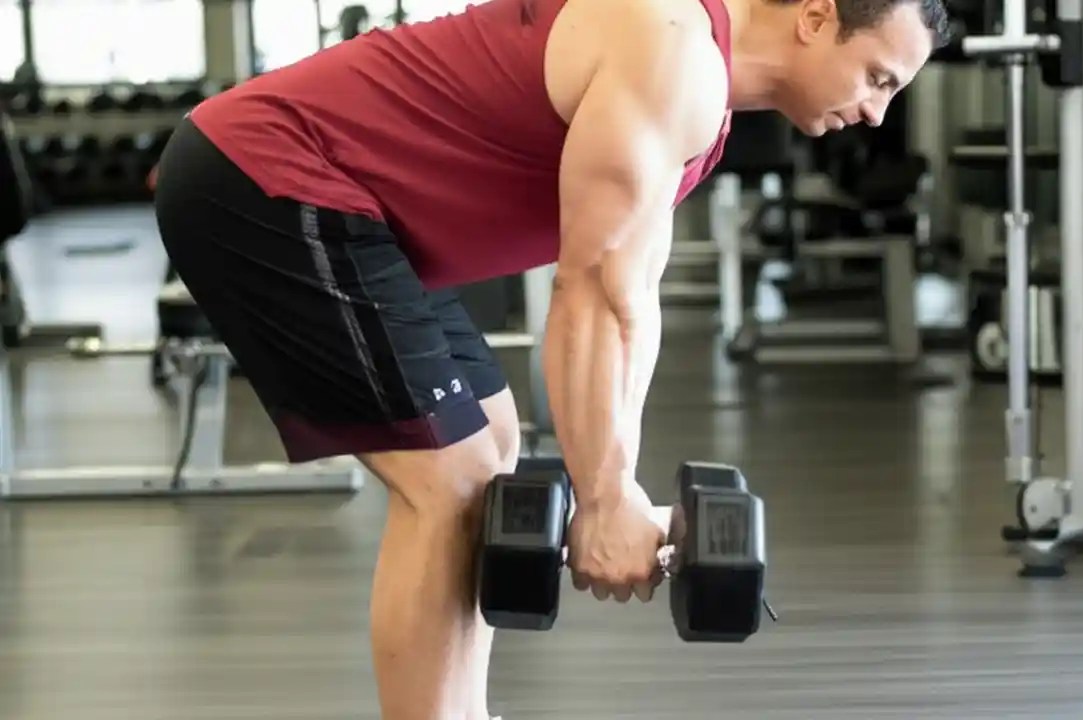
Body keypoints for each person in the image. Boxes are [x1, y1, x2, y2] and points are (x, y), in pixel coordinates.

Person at [151, 0, 948, 717]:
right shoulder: (670, 50)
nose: (878, 113)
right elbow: (591, 286)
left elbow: (633, 302)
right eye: (877, 76)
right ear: (815, 16)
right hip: (267, 176)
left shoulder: (696, 81)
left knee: (491, 453)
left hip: (355, 213)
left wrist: (619, 483)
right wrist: (601, 502)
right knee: (449, 481)